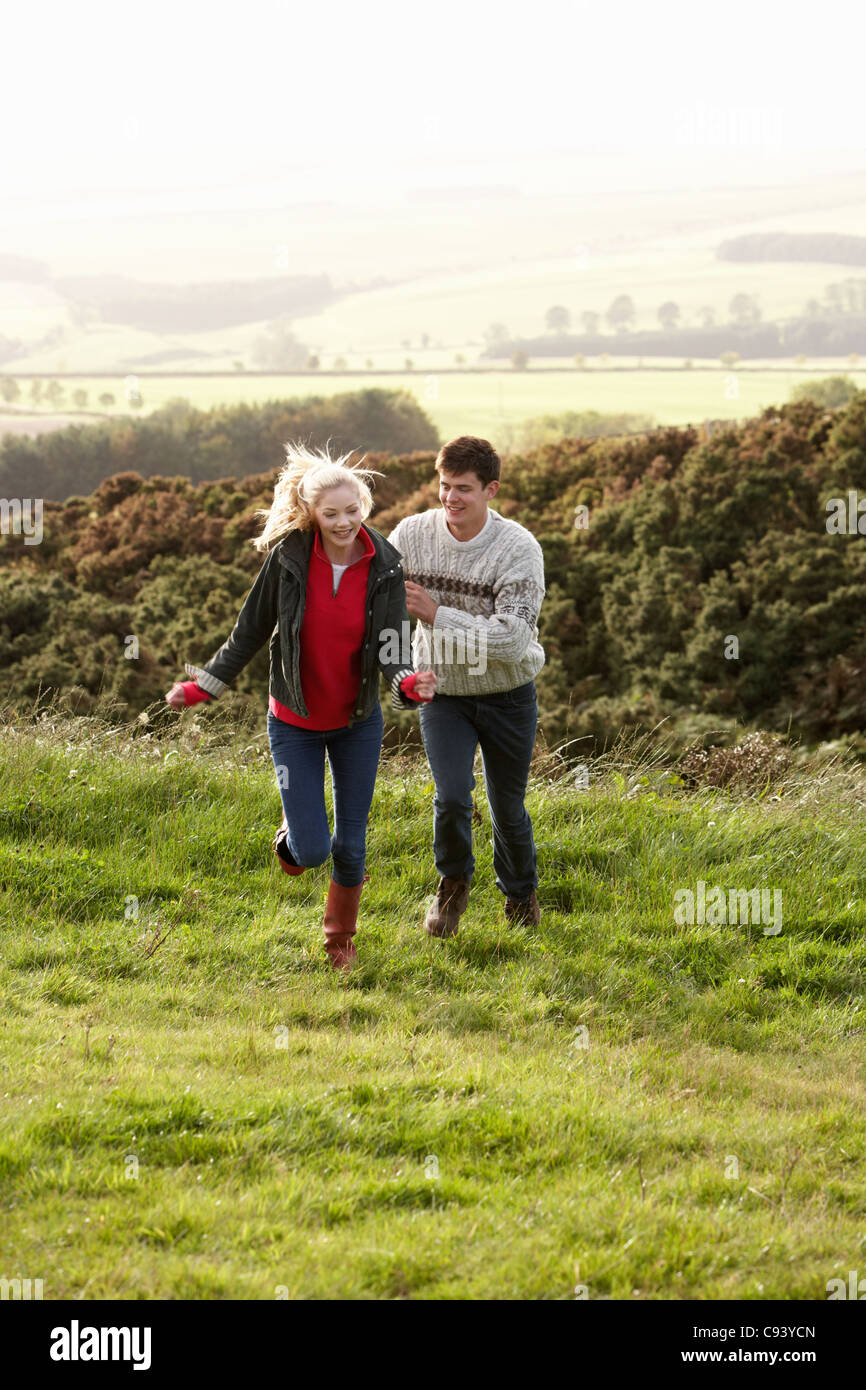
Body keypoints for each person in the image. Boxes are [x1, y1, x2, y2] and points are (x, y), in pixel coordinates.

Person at [165, 443, 436, 970]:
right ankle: (295, 837)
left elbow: (392, 650)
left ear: (364, 507)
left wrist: (407, 683)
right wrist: (203, 687)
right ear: (312, 512)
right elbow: (247, 635)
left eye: (352, 511)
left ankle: (339, 942)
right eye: (331, 513)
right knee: (311, 852)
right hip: (294, 722)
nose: (343, 522)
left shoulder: (384, 565)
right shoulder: (289, 560)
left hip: (357, 722)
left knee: (352, 844)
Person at [387, 435, 545, 937]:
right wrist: (402, 676)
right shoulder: (410, 535)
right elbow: (379, 607)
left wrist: (437, 614)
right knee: (452, 795)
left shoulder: (518, 549)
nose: (451, 498)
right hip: (444, 693)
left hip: (506, 694)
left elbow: (511, 641)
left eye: (464, 489)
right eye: (444, 486)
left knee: (507, 806)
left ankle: (520, 896)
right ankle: (451, 889)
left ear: (491, 490)